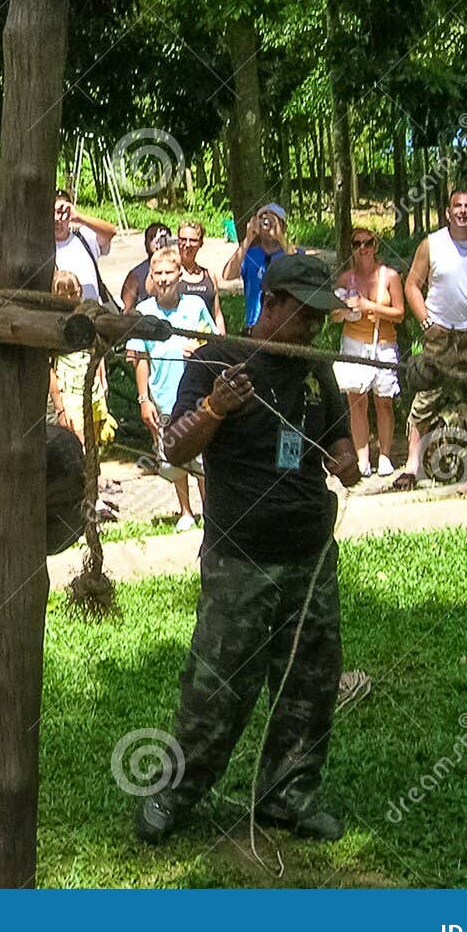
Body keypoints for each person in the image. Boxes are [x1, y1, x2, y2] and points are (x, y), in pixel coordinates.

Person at [135, 254, 361, 846]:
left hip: (310, 556)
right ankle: (174, 795)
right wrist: (215, 409)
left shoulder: (314, 368)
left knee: (308, 684)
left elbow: (336, 431)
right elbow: (176, 450)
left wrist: (345, 456)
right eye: (307, 316)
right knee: (217, 688)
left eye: (322, 319)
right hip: (242, 559)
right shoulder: (217, 360)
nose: (316, 328)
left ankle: (290, 796)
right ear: (274, 303)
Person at [392, 188, 467, 491]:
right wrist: (425, 320)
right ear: (448, 211)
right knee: (425, 399)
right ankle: (411, 466)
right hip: (440, 334)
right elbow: (412, 285)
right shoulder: (432, 244)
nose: (463, 211)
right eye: (457, 206)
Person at [126, 246, 215, 531]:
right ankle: (185, 511)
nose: (164, 278)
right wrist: (144, 399)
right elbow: (139, 359)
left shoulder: (195, 306)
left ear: (180, 275)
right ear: (151, 276)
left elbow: (212, 342)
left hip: (197, 396)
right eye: (158, 273)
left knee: (202, 457)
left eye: (169, 272)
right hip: (163, 397)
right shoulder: (144, 312)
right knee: (173, 458)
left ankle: (210, 511)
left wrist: (198, 349)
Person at [332, 229, 404, 477]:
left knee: (384, 402)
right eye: (357, 243)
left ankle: (384, 455)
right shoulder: (345, 280)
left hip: (383, 344)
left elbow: (400, 313)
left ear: (376, 246)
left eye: (368, 243)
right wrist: (344, 311)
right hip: (354, 342)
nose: (362, 248)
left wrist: (369, 307)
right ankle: (363, 459)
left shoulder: (390, 276)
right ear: (351, 248)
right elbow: (333, 315)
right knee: (357, 401)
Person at [50, 271, 114, 447]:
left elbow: (97, 349)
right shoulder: (54, 325)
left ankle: (95, 472)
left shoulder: (87, 319)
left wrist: (102, 379)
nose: (70, 299)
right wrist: (59, 407)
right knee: (81, 444)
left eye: (74, 294)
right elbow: (51, 369)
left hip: (93, 391)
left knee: (94, 442)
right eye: (64, 295)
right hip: (71, 395)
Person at [222, 202, 296, 329]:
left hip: (284, 328)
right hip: (254, 327)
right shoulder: (249, 254)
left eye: (274, 220)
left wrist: (280, 237)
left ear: (284, 227)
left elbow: (299, 271)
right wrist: (248, 238)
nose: (268, 225)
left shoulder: (291, 253)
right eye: (264, 220)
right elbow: (228, 275)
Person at [52, 188, 118, 305]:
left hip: (94, 313)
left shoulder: (85, 237)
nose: (57, 219)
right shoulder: (41, 247)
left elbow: (111, 231)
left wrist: (78, 217)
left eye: (62, 212)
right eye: (53, 212)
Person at [173, 221, 225, 334]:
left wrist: (224, 343)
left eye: (193, 240)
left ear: (201, 243)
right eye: (183, 239)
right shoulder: (170, 274)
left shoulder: (209, 275)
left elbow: (217, 314)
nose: (187, 244)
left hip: (208, 340)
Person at [119, 222, 172, 312]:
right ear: (145, 243)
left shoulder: (179, 270)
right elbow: (127, 311)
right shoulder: (135, 275)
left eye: (161, 238)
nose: (156, 242)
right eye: (151, 238)